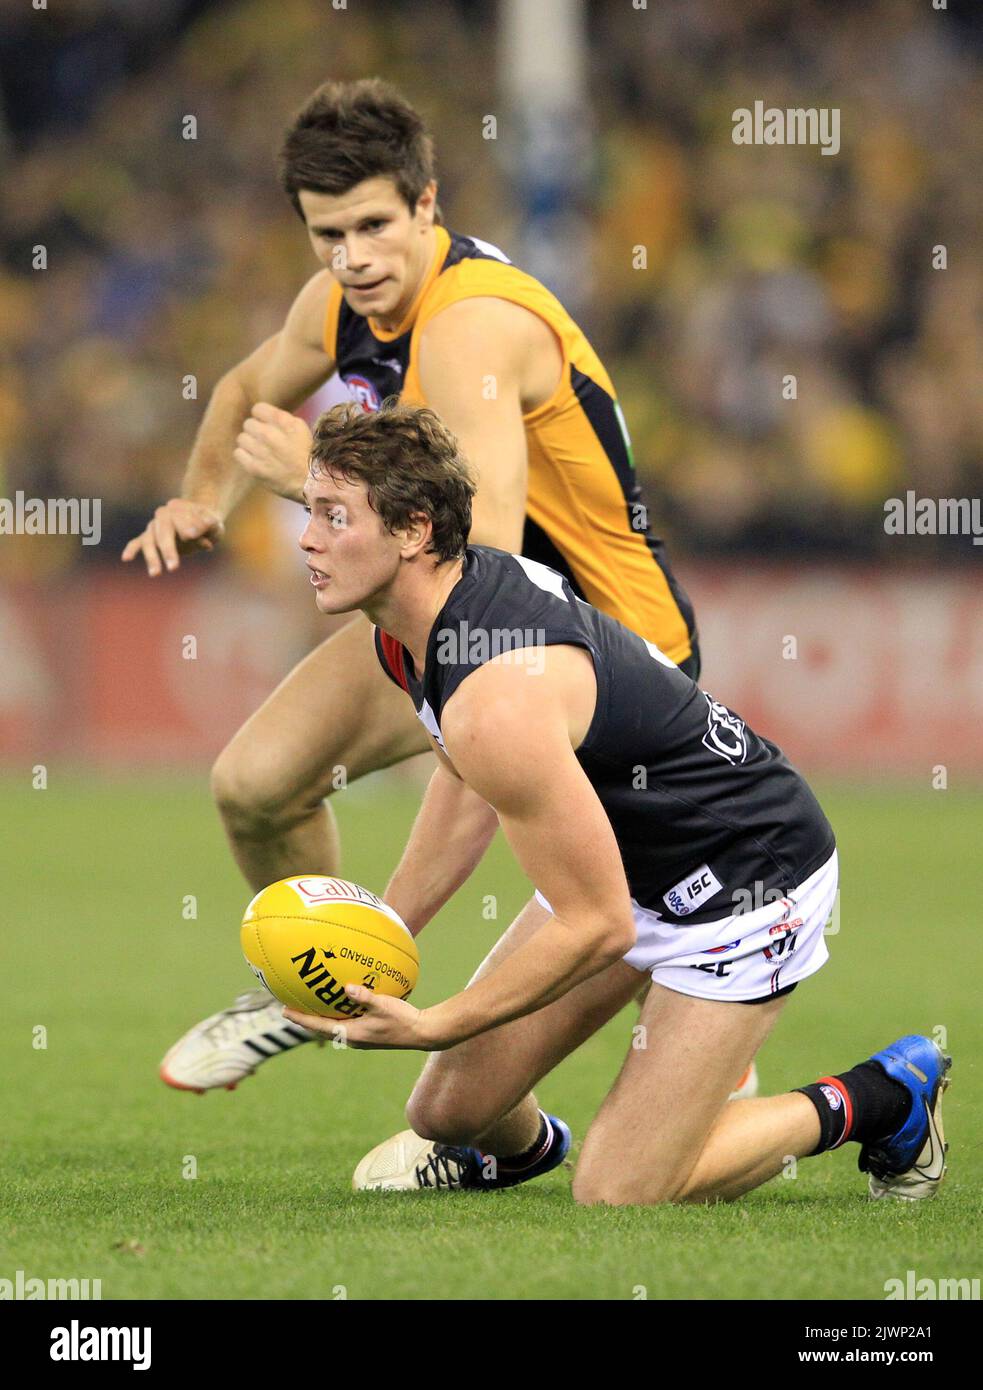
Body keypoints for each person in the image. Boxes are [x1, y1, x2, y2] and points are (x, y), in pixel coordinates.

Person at [123, 78, 757, 1100]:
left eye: (374, 224)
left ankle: (344, 970)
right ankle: (315, 973)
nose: (353, 256)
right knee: (252, 785)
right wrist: (199, 499)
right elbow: (242, 390)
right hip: (461, 622)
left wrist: (308, 479)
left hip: (605, 653)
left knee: (647, 961)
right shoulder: (339, 300)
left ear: (427, 205)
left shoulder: (471, 329)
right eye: (328, 234)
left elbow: (484, 578)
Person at [280, 400, 948, 1205]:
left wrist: (438, 1022)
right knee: (447, 1110)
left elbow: (593, 922)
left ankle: (885, 1095)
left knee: (619, 1192)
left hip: (744, 879)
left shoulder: (497, 695)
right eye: (309, 511)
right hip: (627, 866)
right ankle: (524, 1151)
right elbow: (465, 782)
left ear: (414, 530)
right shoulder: (420, 621)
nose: (306, 538)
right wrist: (379, 938)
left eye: (332, 515)